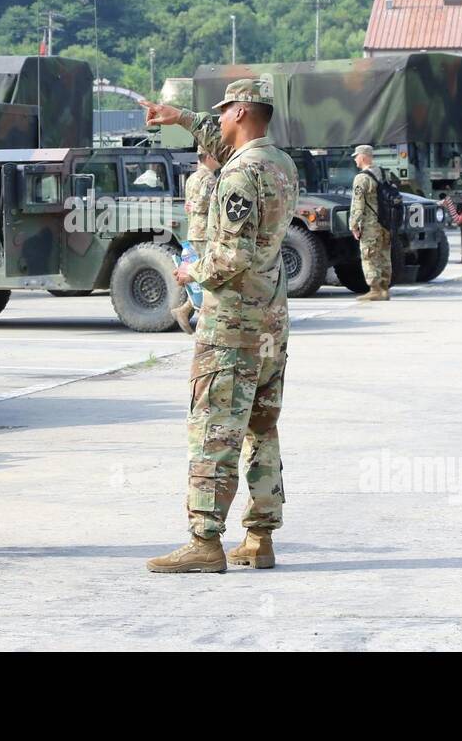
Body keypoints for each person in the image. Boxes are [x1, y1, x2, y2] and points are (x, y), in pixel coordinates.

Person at [140, 79, 299, 573]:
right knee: (261, 427)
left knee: (214, 430)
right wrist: (179, 116)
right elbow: (215, 136)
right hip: (271, 318)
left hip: (232, 325)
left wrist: (191, 271)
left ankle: (205, 542)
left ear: (243, 112)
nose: (220, 120)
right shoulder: (281, 163)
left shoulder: (237, 176)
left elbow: (231, 254)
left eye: (225, 111)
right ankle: (260, 536)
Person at [171, 150, 220, 334]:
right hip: (206, 232)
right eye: (216, 155)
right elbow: (210, 206)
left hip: (194, 230)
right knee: (207, 275)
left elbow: (188, 206)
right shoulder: (209, 180)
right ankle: (203, 321)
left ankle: (184, 311)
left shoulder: (192, 178)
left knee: (201, 274)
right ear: (208, 156)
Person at [349, 144, 392, 301]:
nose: (355, 160)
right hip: (385, 223)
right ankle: (385, 289)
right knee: (383, 255)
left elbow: (358, 204)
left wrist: (354, 225)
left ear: (363, 156)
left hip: (371, 224)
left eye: (356, 157)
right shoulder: (382, 173)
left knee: (369, 255)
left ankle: (375, 289)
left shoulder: (362, 178)